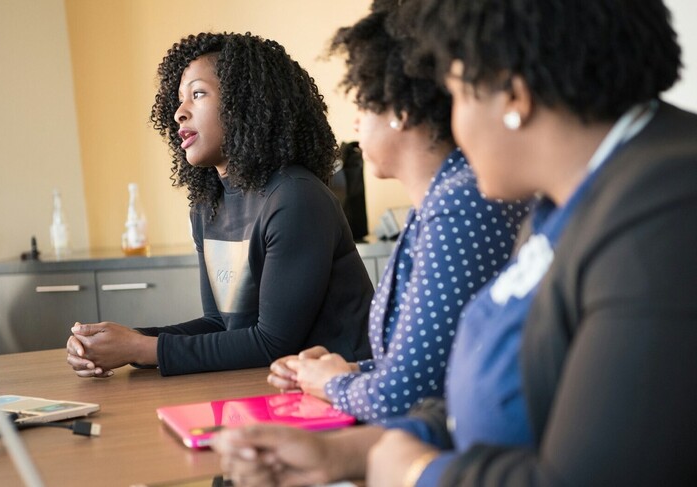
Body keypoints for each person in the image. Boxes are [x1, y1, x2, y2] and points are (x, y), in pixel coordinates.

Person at [212, 0, 697, 485]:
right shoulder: (561, 203)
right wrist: (342, 455)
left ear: (513, 96)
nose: (453, 126)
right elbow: (493, 403)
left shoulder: (666, 211)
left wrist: (416, 471)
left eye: (458, 95)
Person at [266, 2, 527, 423]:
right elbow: (429, 369)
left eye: (363, 105)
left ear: (401, 110)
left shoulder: (458, 203)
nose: (354, 125)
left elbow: (405, 396)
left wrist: (332, 384)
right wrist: (343, 371)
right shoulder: (440, 201)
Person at [66, 32, 374, 377]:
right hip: (267, 385)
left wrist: (143, 347)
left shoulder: (295, 197)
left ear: (246, 103)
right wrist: (123, 343)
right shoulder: (206, 205)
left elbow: (273, 342)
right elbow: (220, 325)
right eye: (179, 100)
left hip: (341, 396)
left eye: (198, 94)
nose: (179, 113)